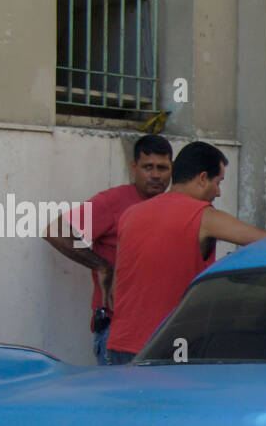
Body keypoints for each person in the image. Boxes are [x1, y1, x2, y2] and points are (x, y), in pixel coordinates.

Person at [104, 141, 266, 364]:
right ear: (202, 178)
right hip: (168, 348)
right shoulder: (202, 216)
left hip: (119, 345)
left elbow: (116, 286)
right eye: (218, 182)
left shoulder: (131, 214)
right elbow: (263, 241)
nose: (218, 192)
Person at [43, 134, 173, 364]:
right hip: (118, 330)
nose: (155, 175)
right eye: (148, 167)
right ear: (134, 168)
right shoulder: (114, 201)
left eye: (162, 168)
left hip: (160, 329)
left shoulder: (173, 205)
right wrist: (101, 266)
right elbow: (56, 231)